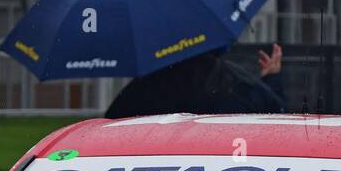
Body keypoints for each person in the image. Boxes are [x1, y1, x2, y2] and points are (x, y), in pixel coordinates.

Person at [105, 44, 285, 118]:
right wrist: (271, 79)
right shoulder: (228, 82)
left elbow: (114, 119)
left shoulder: (148, 86)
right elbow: (273, 114)